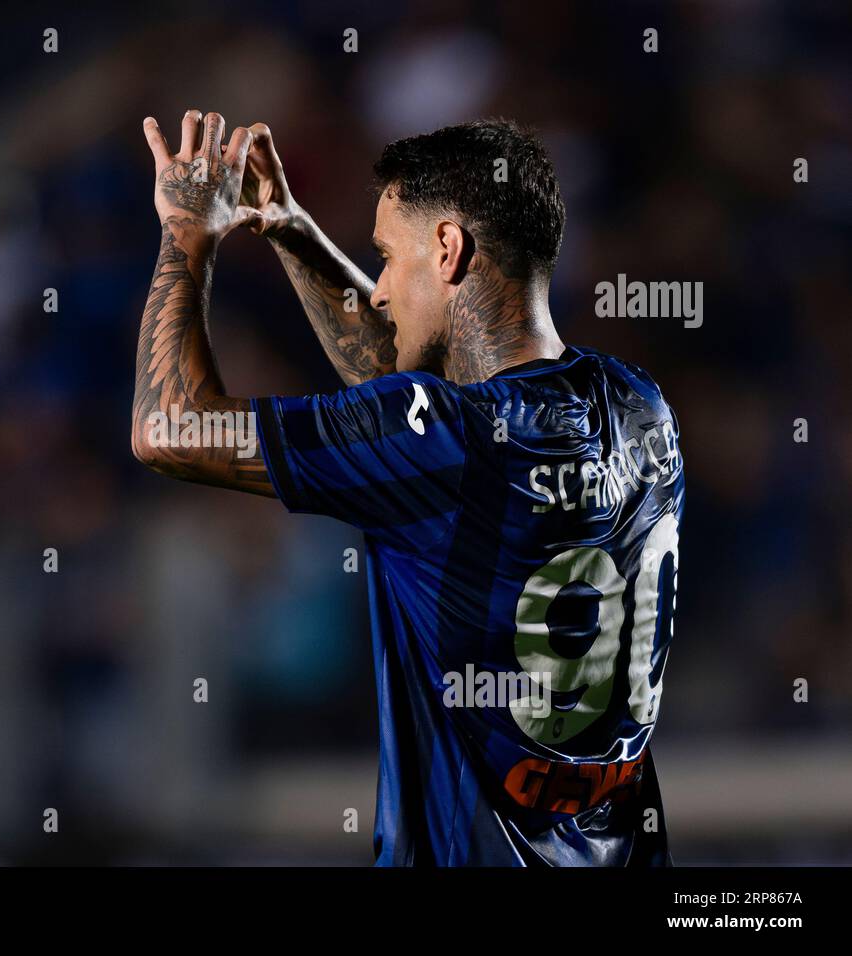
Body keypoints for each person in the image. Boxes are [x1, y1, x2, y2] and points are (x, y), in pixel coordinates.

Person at [131, 110, 684, 866]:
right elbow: (415, 406)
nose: (381, 288)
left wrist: (187, 235)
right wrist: (292, 229)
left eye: (387, 257)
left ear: (449, 248)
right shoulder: (637, 405)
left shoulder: (443, 441)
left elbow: (170, 428)